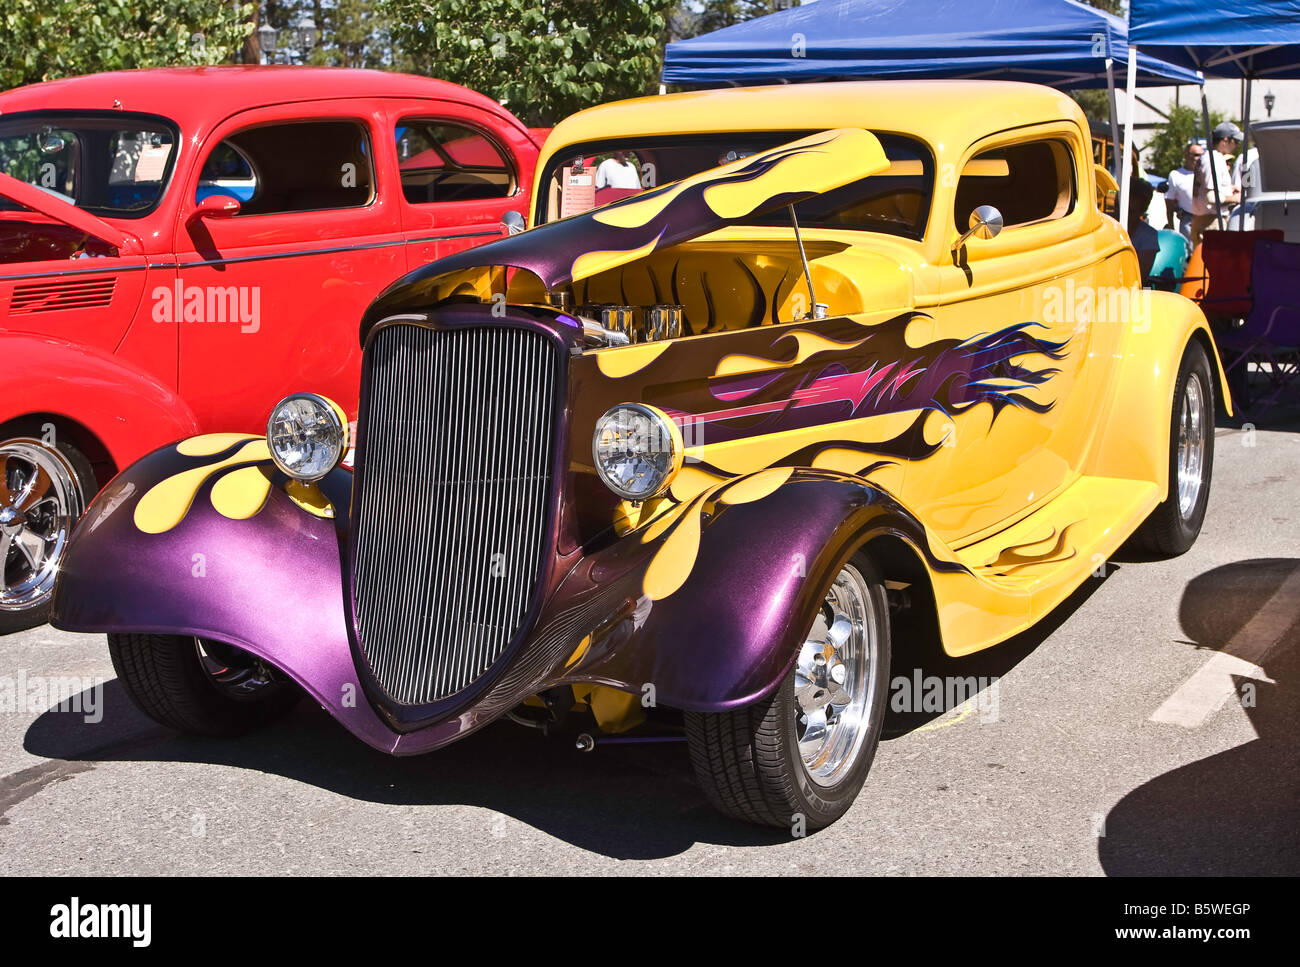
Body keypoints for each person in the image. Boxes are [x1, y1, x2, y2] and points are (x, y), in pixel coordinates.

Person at [1189, 122, 1243, 248]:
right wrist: (1235, 198)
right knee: (1212, 266)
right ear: (1225, 140)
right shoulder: (1214, 160)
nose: (1237, 145)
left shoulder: (1208, 157)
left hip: (1205, 220)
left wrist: (1229, 190)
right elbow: (1212, 198)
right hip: (1211, 222)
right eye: (1235, 141)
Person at [1165, 140, 1204, 240]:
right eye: (1196, 155)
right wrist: (1171, 226)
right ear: (1187, 155)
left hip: (1206, 218)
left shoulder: (1207, 173)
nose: (1199, 158)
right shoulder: (1176, 175)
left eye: (1202, 155)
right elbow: (1169, 202)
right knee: (1191, 252)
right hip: (1188, 220)